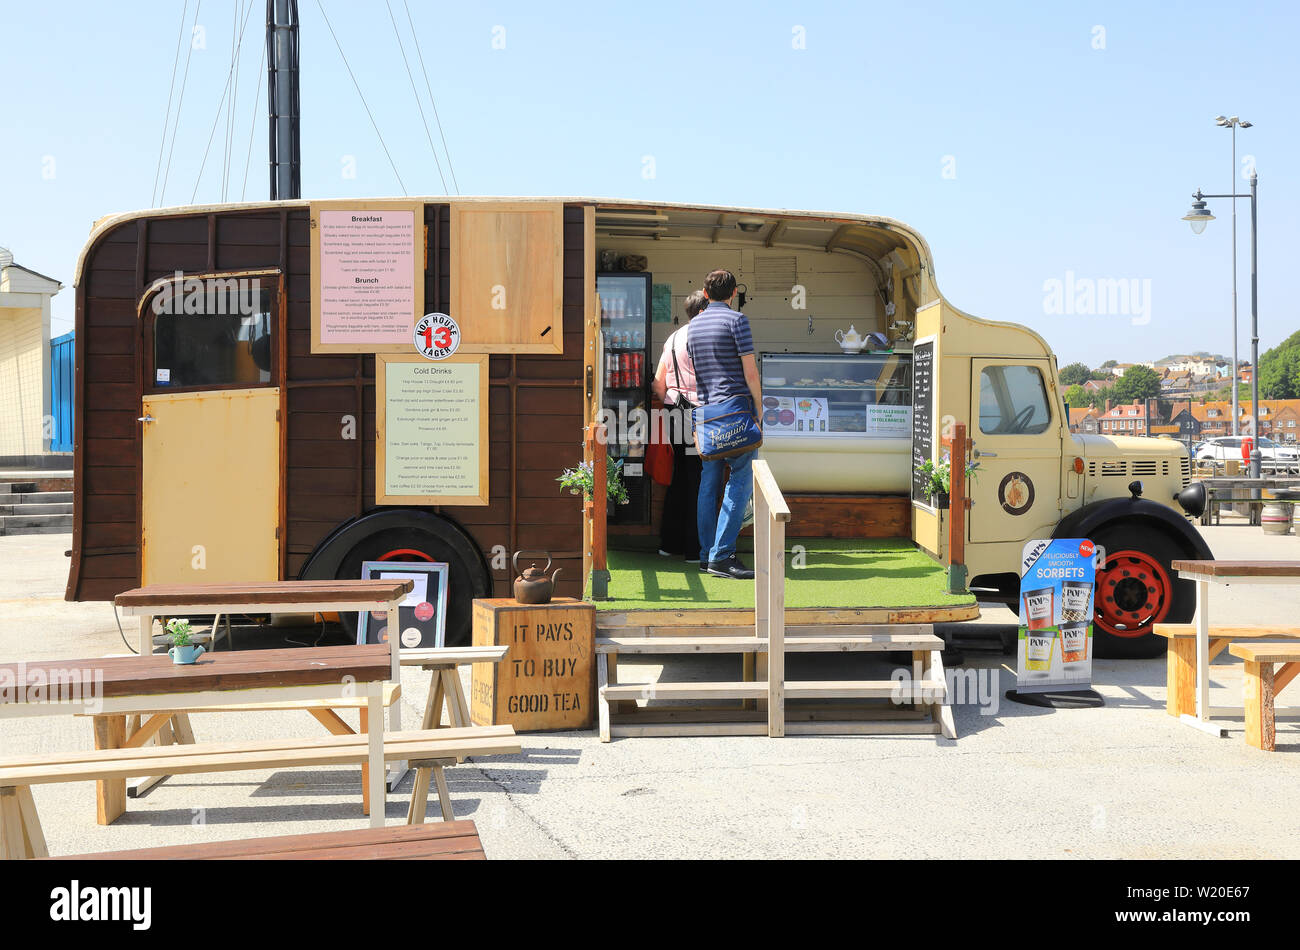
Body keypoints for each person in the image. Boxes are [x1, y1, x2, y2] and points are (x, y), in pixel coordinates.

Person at [689, 270, 761, 579]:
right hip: (734, 412)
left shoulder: (692, 326)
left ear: (705, 294)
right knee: (741, 479)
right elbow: (751, 373)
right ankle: (722, 556)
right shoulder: (737, 321)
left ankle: (707, 555)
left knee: (708, 483)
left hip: (706, 415)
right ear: (732, 294)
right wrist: (758, 409)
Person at [650, 290, 708, 560]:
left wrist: (672, 403)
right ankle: (694, 548)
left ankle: (669, 544)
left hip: (674, 410)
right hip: (702, 413)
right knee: (698, 479)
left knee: (679, 477)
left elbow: (658, 384)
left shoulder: (673, 338)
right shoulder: (707, 338)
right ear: (704, 312)